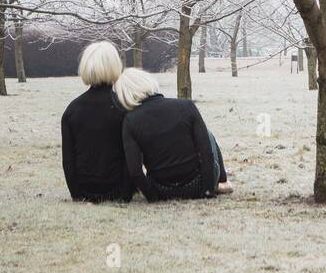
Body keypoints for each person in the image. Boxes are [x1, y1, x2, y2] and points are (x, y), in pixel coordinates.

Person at [113, 67, 233, 201]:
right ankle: (223, 182)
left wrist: (153, 197)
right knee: (208, 135)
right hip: (196, 185)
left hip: (162, 189)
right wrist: (207, 190)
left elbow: (135, 171)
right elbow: (207, 153)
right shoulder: (186, 106)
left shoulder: (130, 121)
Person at [60, 41, 133, 202]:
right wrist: (126, 194)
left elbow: (68, 160)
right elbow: (131, 157)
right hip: (119, 188)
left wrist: (77, 194)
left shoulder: (72, 110)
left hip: (84, 189)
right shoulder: (125, 107)